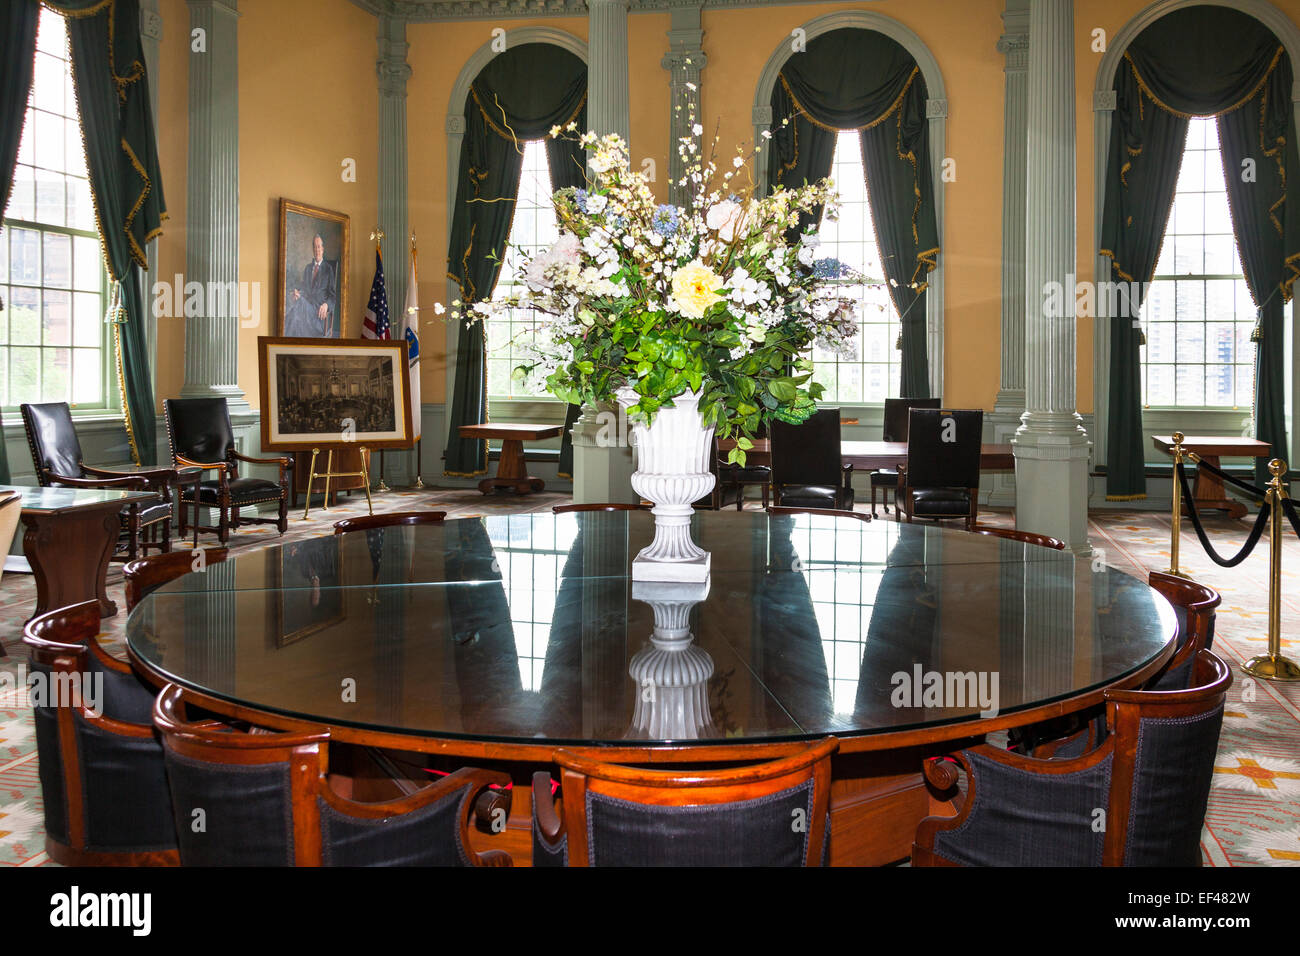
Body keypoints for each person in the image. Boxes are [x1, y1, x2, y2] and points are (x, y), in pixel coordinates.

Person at [284, 234, 338, 337]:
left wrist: (326, 305)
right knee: (295, 315)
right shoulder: (308, 268)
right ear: (313, 249)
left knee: (294, 315)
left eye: (319, 246)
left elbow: (332, 296)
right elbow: (304, 290)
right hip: (305, 312)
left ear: (323, 249)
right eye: (314, 246)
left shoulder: (328, 269)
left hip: (317, 317)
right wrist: (298, 294)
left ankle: (283, 340)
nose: (317, 249)